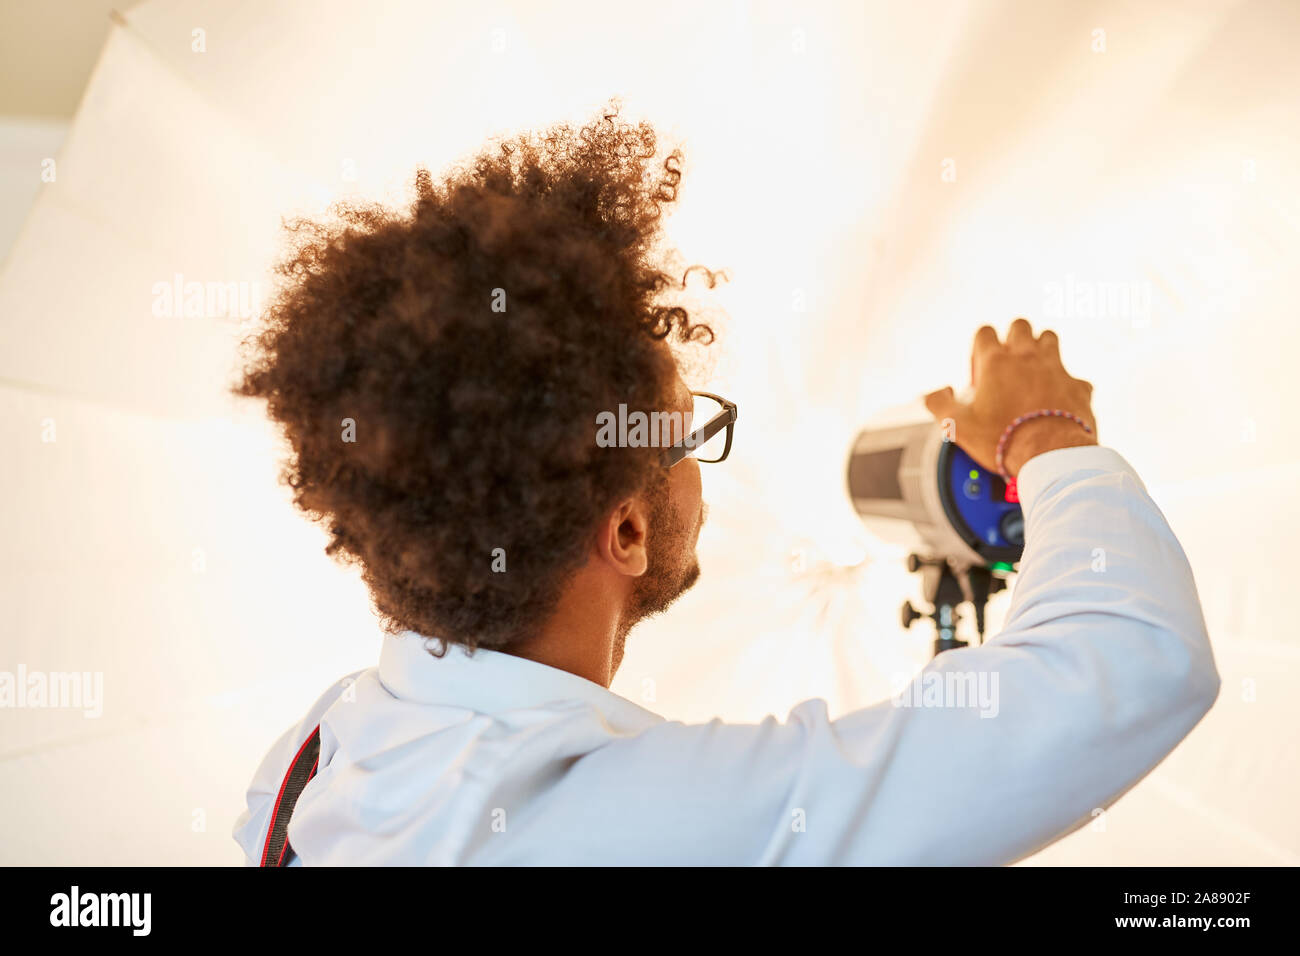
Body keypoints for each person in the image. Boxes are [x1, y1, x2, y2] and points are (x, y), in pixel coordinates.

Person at [232, 108, 1219, 865]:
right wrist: (1043, 432)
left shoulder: (311, 759)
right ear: (624, 530)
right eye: (691, 431)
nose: (703, 458)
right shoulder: (648, 822)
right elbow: (1129, 662)